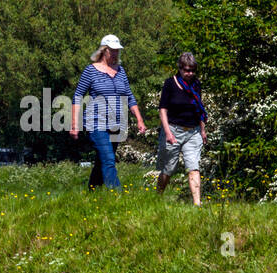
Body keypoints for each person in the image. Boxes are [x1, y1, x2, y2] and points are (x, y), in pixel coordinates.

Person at [70, 34, 148, 190]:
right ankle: (117, 196)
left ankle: (93, 193)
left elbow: (129, 96)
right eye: (112, 51)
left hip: (115, 124)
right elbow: (77, 97)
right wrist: (74, 124)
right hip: (96, 122)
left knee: (102, 161)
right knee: (108, 160)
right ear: (103, 51)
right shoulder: (90, 71)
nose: (115, 54)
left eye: (117, 51)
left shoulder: (120, 71)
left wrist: (139, 119)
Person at [157, 52, 208, 206]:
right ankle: (158, 197)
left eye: (192, 70)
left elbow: (199, 109)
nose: (189, 73)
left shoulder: (196, 84)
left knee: (194, 167)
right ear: (179, 68)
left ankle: (197, 204)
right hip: (173, 130)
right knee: (169, 169)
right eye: (186, 70)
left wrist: (203, 130)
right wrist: (167, 132)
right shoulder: (170, 84)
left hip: (193, 131)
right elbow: (163, 110)